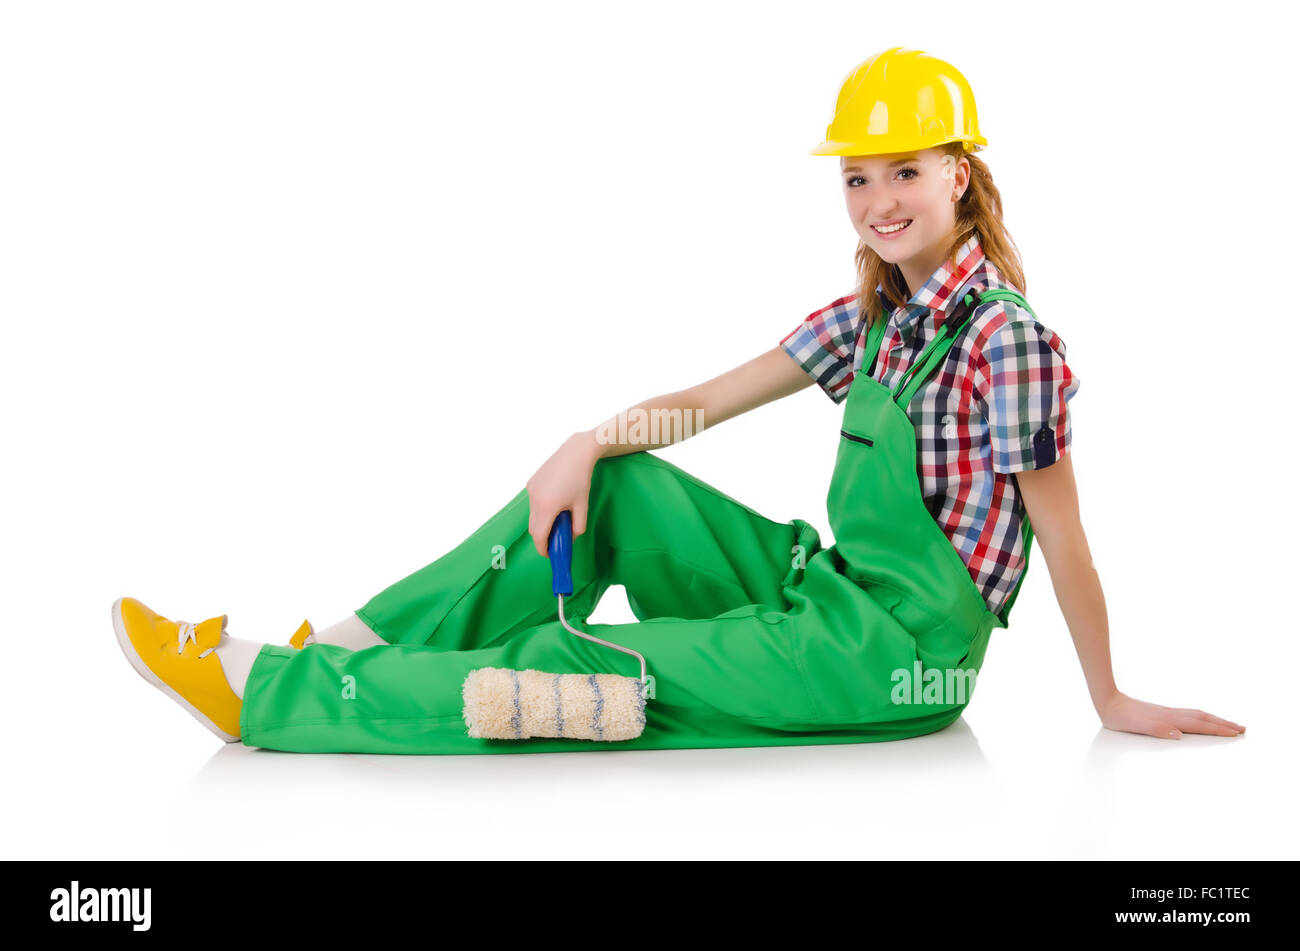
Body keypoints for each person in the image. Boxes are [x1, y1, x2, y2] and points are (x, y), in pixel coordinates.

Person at [113, 46, 1244, 753]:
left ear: (960, 173)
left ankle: (269, 694)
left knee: (583, 671)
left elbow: (1068, 539)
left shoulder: (1009, 340)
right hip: (833, 592)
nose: (877, 199)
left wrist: (1109, 696)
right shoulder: (874, 319)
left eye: (905, 170)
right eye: (858, 176)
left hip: (896, 660)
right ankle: (345, 644)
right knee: (618, 493)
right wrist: (585, 441)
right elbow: (704, 402)